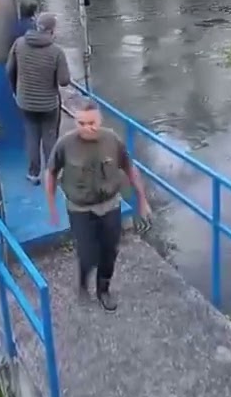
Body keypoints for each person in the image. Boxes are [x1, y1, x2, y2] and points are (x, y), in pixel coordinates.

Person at [45, 99, 151, 311]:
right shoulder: (65, 145)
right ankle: (83, 283)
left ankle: (104, 289)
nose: (87, 128)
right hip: (80, 208)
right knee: (87, 253)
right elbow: (51, 172)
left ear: (100, 120)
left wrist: (142, 199)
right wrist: (52, 206)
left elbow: (130, 168)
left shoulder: (112, 140)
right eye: (81, 123)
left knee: (110, 251)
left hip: (109, 205)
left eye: (91, 123)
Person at [6, 13, 71, 184]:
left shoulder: (19, 44)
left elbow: (9, 70)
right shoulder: (56, 51)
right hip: (49, 104)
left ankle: (33, 174)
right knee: (50, 138)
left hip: (25, 102)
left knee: (31, 136)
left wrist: (16, 91)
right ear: (52, 30)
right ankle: (52, 175)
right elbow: (64, 81)